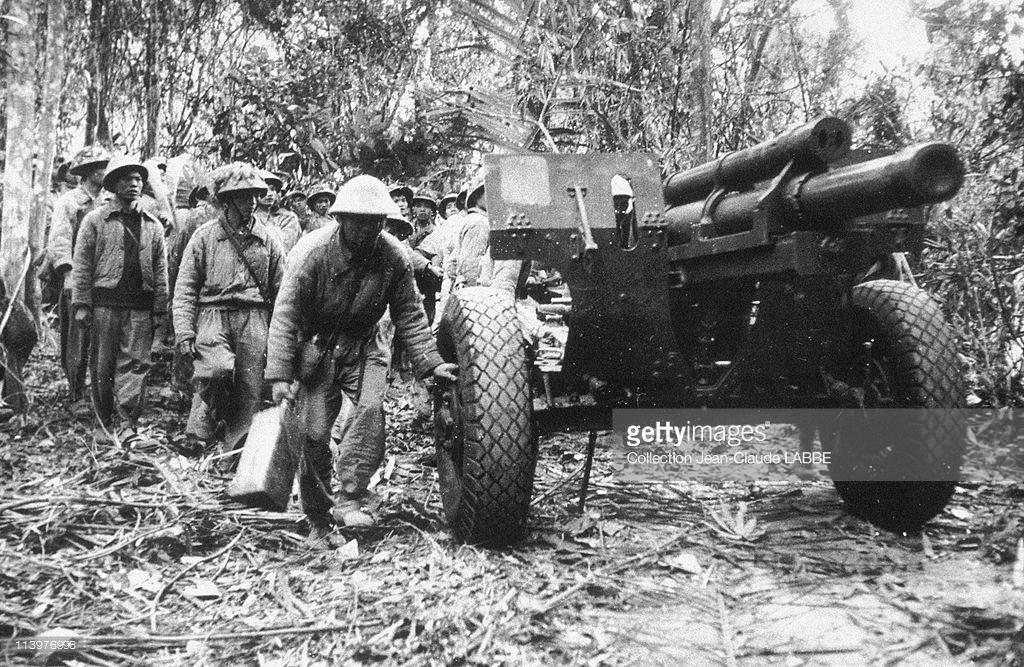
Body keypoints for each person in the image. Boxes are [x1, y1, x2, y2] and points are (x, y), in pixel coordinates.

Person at [264, 174, 457, 543]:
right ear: (341, 219)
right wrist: (279, 375)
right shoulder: (311, 251)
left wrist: (431, 362)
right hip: (318, 348)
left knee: (370, 413)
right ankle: (318, 515)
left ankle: (351, 496)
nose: (366, 228)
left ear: (384, 222)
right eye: (357, 220)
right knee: (315, 434)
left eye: (375, 221)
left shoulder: (394, 257)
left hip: (364, 345)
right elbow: (285, 314)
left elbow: (410, 313)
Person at [173, 163, 286, 453]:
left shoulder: (269, 238)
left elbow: (282, 290)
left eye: (254, 195)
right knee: (215, 372)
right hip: (212, 314)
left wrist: (282, 335)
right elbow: (185, 287)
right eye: (242, 196)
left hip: (255, 316)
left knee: (250, 384)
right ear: (226, 200)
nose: (250, 202)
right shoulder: (205, 237)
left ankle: (234, 445)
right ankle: (208, 426)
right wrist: (184, 332)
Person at [71, 155, 168, 441]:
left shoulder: (153, 225)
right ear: (113, 184)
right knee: (102, 365)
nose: (134, 184)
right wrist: (81, 304)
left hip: (139, 306)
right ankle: (103, 420)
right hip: (105, 305)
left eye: (138, 179)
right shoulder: (95, 220)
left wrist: (161, 309)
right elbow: (83, 264)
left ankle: (128, 424)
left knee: (136, 364)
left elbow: (161, 270)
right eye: (127, 179)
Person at [47, 146, 110, 403]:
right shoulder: (70, 202)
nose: (105, 172)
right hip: (77, 276)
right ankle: (76, 390)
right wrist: (68, 273)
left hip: (104, 278)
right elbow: (59, 240)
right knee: (76, 336)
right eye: (101, 167)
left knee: (103, 337)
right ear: (88, 172)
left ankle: (99, 392)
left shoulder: (109, 201)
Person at [256, 170, 303, 253]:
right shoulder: (251, 216)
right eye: (264, 190)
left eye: (273, 189)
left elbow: (284, 247)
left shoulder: (288, 218)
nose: (270, 194)